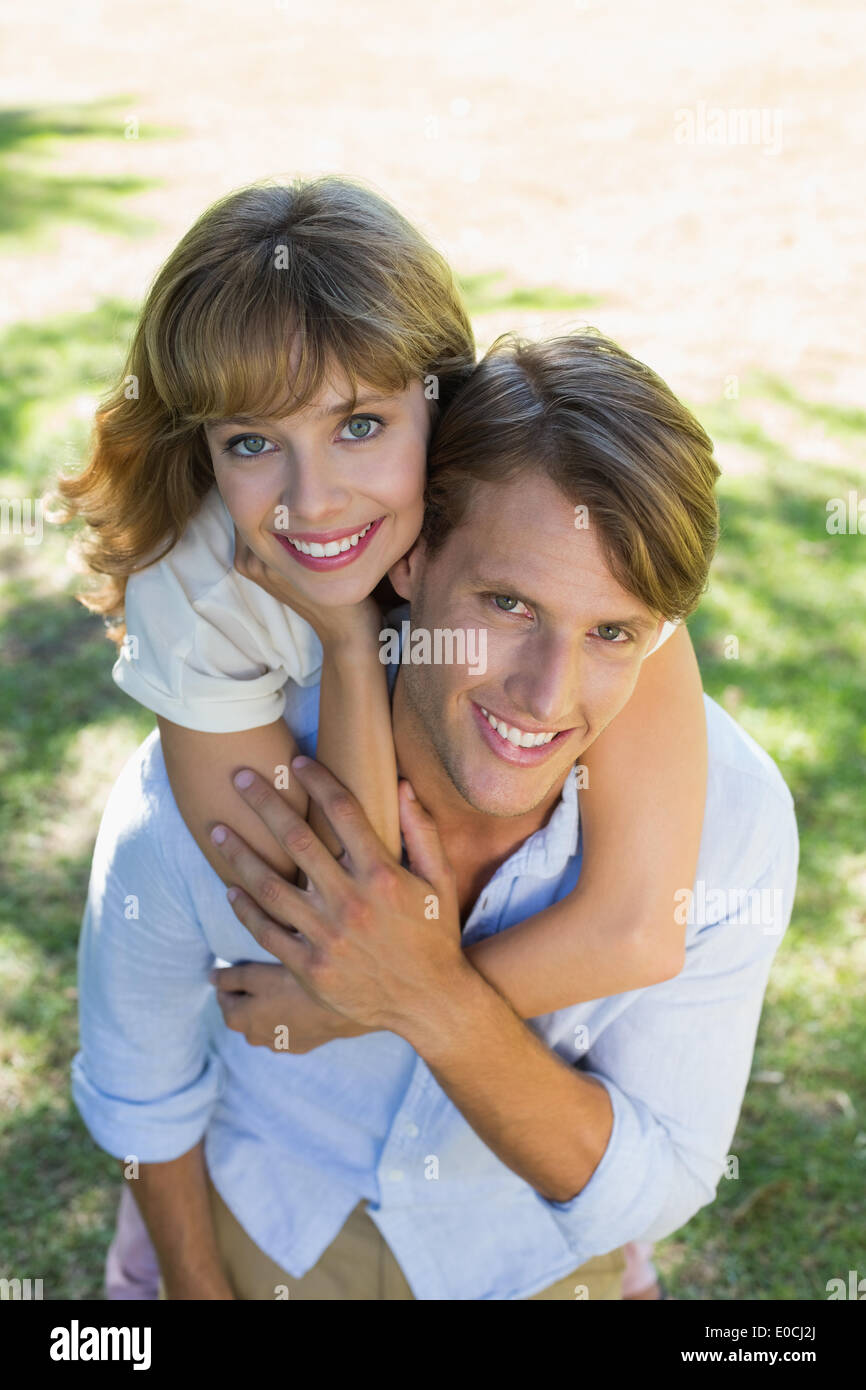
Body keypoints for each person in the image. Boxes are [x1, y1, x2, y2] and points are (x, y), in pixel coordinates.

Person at [71, 333, 798, 1299]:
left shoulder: (730, 824)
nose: (547, 697)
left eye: (613, 632)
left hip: (521, 1254)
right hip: (262, 1221)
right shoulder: (220, 782)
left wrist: (418, 998)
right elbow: (142, 1101)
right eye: (506, 604)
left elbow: (651, 1190)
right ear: (410, 562)